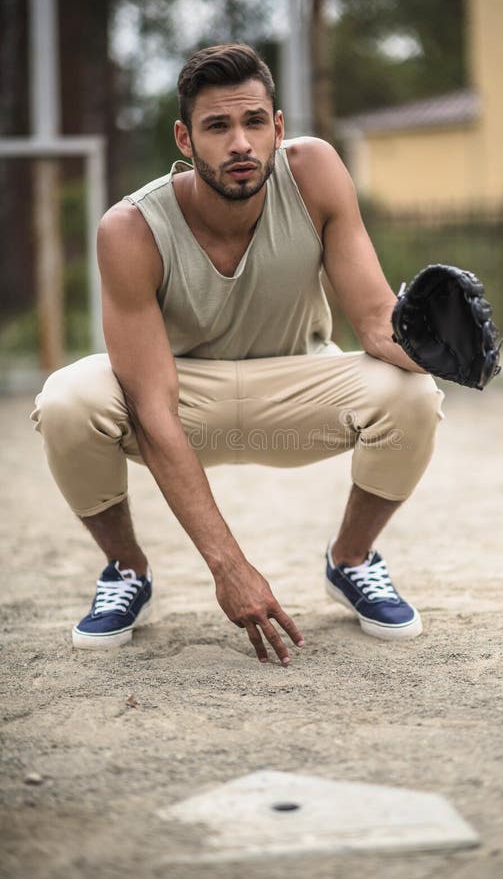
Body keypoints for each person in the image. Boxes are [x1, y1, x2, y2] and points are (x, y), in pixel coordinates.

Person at [31, 44, 444, 666]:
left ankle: (352, 560)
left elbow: (375, 323)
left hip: (298, 387)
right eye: (217, 126)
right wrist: (228, 565)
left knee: (414, 394)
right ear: (185, 138)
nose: (240, 143)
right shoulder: (131, 229)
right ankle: (127, 570)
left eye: (254, 122)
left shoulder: (315, 172)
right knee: (67, 399)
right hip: (179, 400)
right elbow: (150, 402)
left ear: (278, 127)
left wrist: (440, 350)